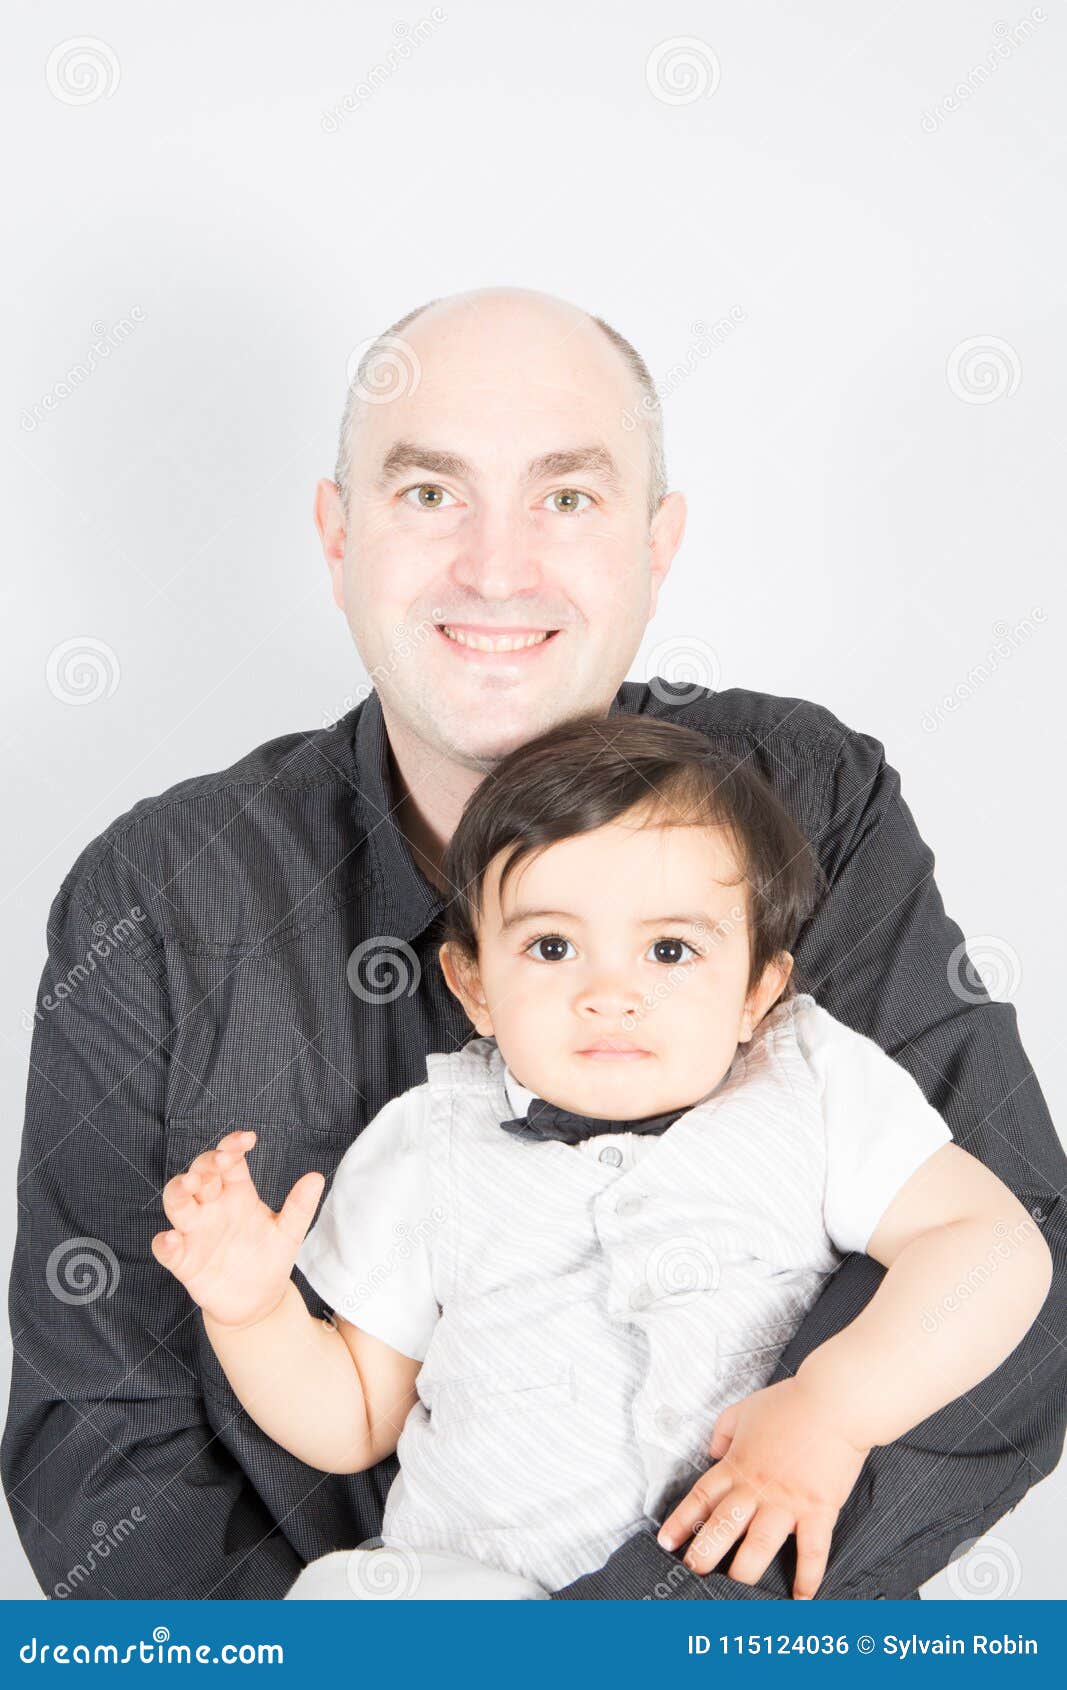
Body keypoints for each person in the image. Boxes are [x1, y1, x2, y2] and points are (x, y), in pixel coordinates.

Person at [3, 287, 1064, 1601]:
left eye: (565, 497)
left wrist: (618, 1653)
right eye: (428, 493)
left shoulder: (807, 802)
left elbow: (1011, 1258)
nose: (495, 569)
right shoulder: (160, 894)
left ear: (654, 545)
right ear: (337, 535)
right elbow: (102, 1433)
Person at [151, 712, 1053, 1602]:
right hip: (458, 1593)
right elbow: (353, 1420)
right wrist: (253, 1311)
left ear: (756, 990)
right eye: (551, 947)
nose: (611, 993)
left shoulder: (810, 1084)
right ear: (474, 985)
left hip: (720, 1612)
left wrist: (836, 1408)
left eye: (670, 949)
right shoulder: (428, 1141)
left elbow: (990, 1244)